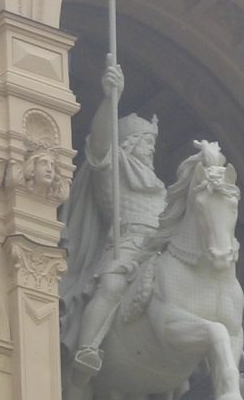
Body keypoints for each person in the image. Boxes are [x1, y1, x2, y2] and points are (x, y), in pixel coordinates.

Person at [61, 62, 166, 380]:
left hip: (159, 246)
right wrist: (111, 99)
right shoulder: (111, 163)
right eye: (146, 143)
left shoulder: (159, 184)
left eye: (152, 144)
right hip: (127, 241)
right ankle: (88, 347)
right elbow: (100, 140)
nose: (151, 150)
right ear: (129, 143)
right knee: (110, 286)